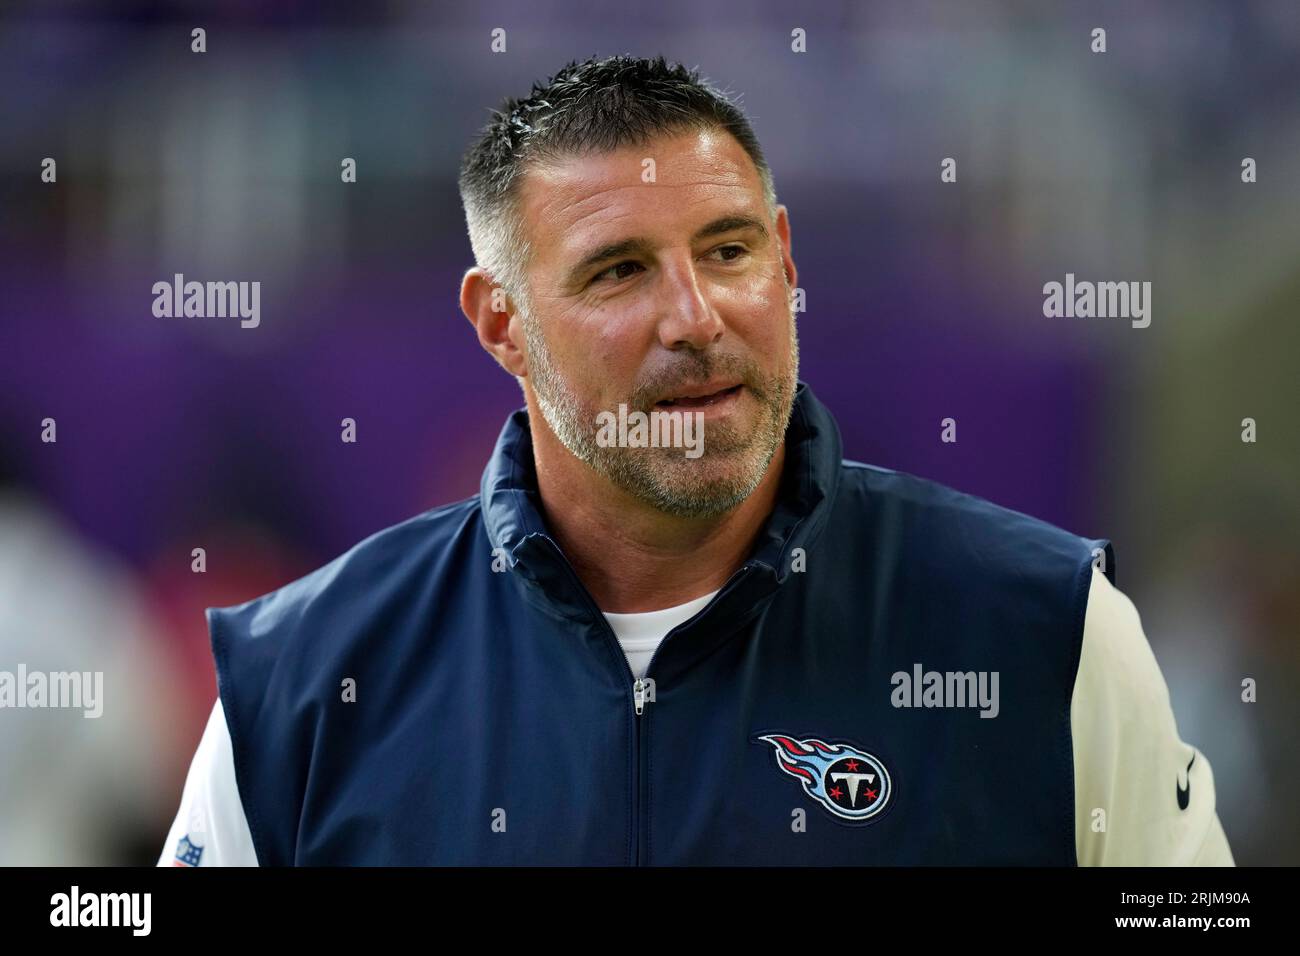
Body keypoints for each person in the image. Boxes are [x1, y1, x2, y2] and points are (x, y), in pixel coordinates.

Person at [159, 54, 1232, 866]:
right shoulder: (299, 680)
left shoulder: (1046, 628)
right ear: (502, 324)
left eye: (727, 251)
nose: (696, 316)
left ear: (786, 260)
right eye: (619, 270)